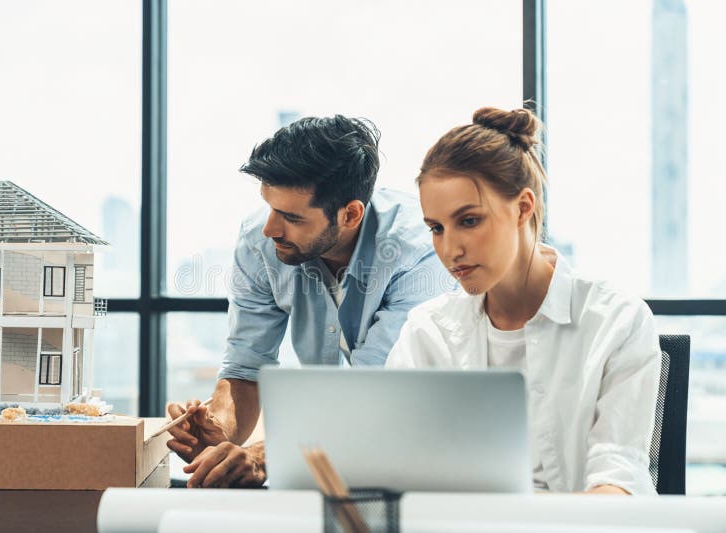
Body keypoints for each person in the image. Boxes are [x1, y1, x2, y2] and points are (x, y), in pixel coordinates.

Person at [385, 106, 661, 494]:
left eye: (468, 221)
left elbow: (617, 479)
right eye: (436, 228)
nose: (449, 249)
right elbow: (395, 464)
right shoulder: (426, 332)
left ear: (523, 207)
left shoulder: (616, 320)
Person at [168, 115, 454, 488]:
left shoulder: (417, 249)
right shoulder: (261, 240)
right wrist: (218, 427)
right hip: (335, 447)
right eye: (269, 207)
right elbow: (245, 369)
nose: (270, 228)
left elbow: (376, 391)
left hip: (423, 440)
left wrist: (264, 455)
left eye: (291, 217)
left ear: (350, 214)